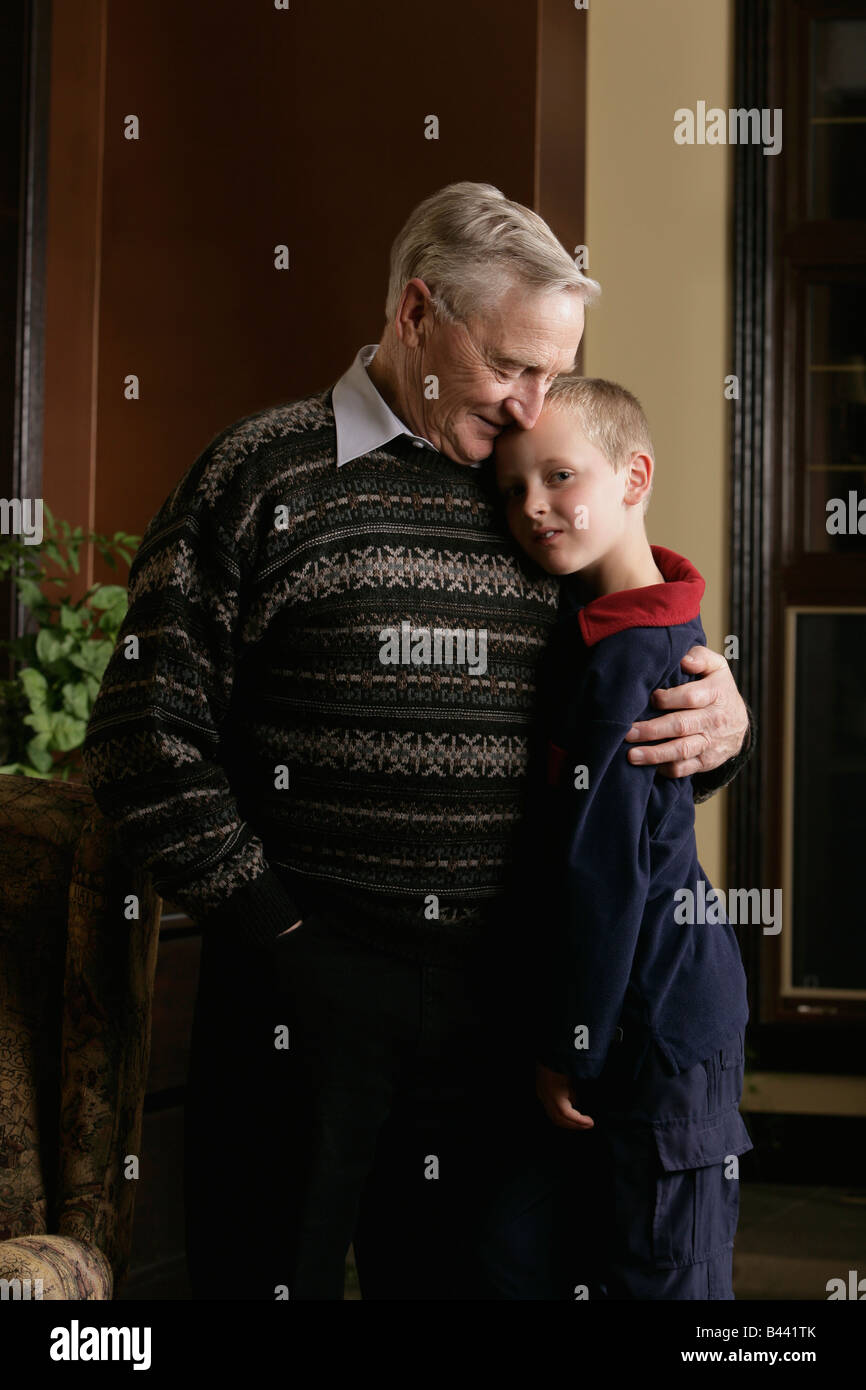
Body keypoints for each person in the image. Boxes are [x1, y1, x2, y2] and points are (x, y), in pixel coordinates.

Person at [81, 182, 754, 1301]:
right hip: (299, 990)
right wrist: (285, 934)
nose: (535, 401)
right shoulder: (262, 474)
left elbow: (638, 688)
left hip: (503, 1010)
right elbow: (140, 740)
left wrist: (720, 721)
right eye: (509, 365)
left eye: (553, 370)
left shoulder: (535, 497)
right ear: (414, 314)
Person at [493, 375, 754, 1300]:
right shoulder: (623, 622)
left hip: (658, 1015)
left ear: (634, 476)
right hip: (631, 1005)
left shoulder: (633, 661)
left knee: (669, 1276)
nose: (532, 507)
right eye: (514, 487)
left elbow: (602, 874)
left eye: (561, 477)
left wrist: (569, 1042)